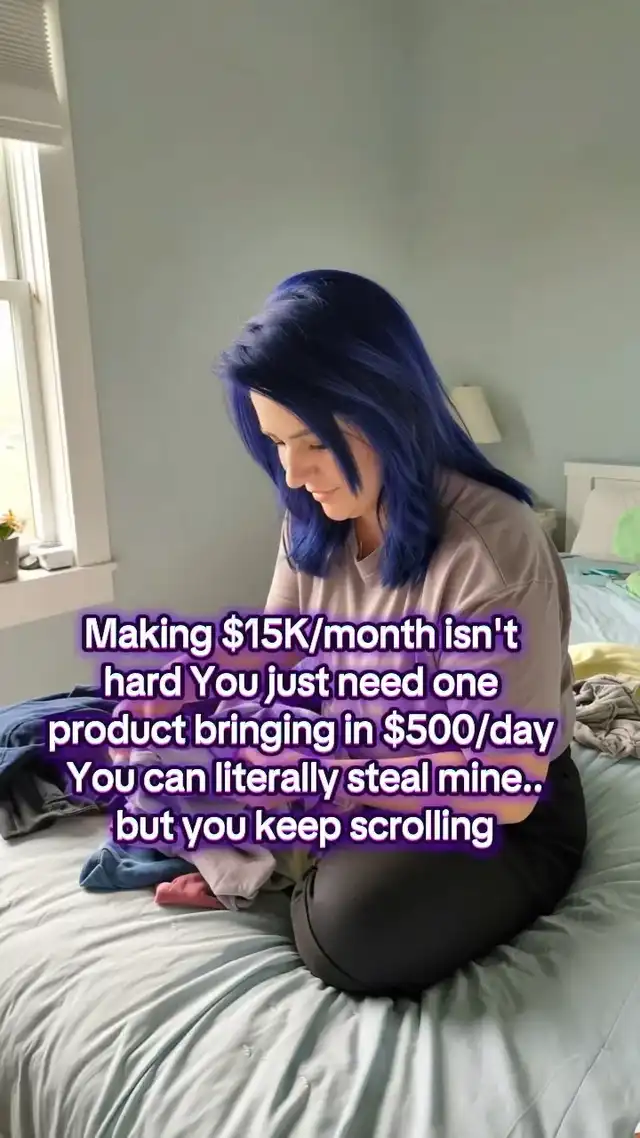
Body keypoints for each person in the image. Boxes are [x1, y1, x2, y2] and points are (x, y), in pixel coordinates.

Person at [119, 269, 587, 998]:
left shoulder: (495, 549)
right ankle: (292, 847)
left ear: (388, 407)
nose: (293, 473)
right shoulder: (314, 516)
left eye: (313, 440)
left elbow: (506, 788)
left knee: (350, 932)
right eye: (276, 442)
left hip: (499, 811)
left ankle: (293, 858)